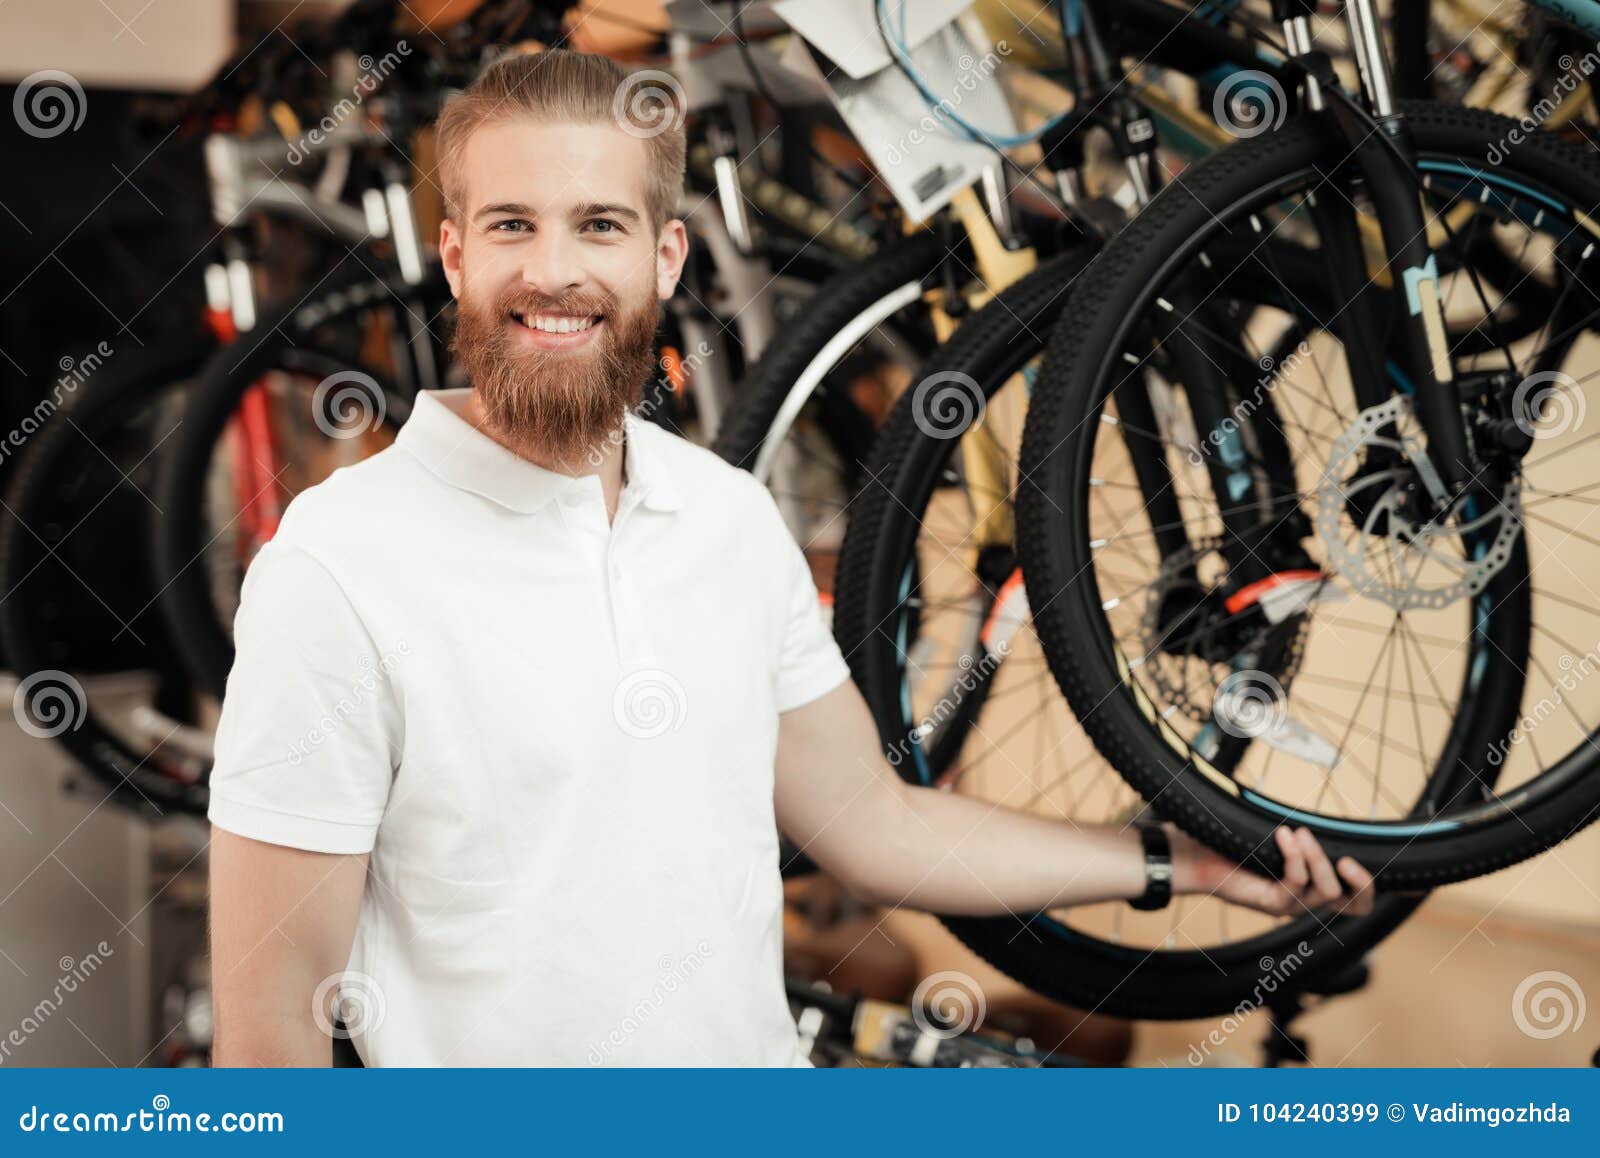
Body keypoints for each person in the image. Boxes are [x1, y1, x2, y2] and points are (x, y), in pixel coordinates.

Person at [207, 49, 1374, 1067]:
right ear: (453, 256)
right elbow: (271, 1036)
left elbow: (873, 824)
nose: (555, 272)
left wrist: (1177, 862)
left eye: (598, 225)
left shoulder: (723, 518)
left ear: (666, 258)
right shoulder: (339, 563)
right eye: (513, 225)